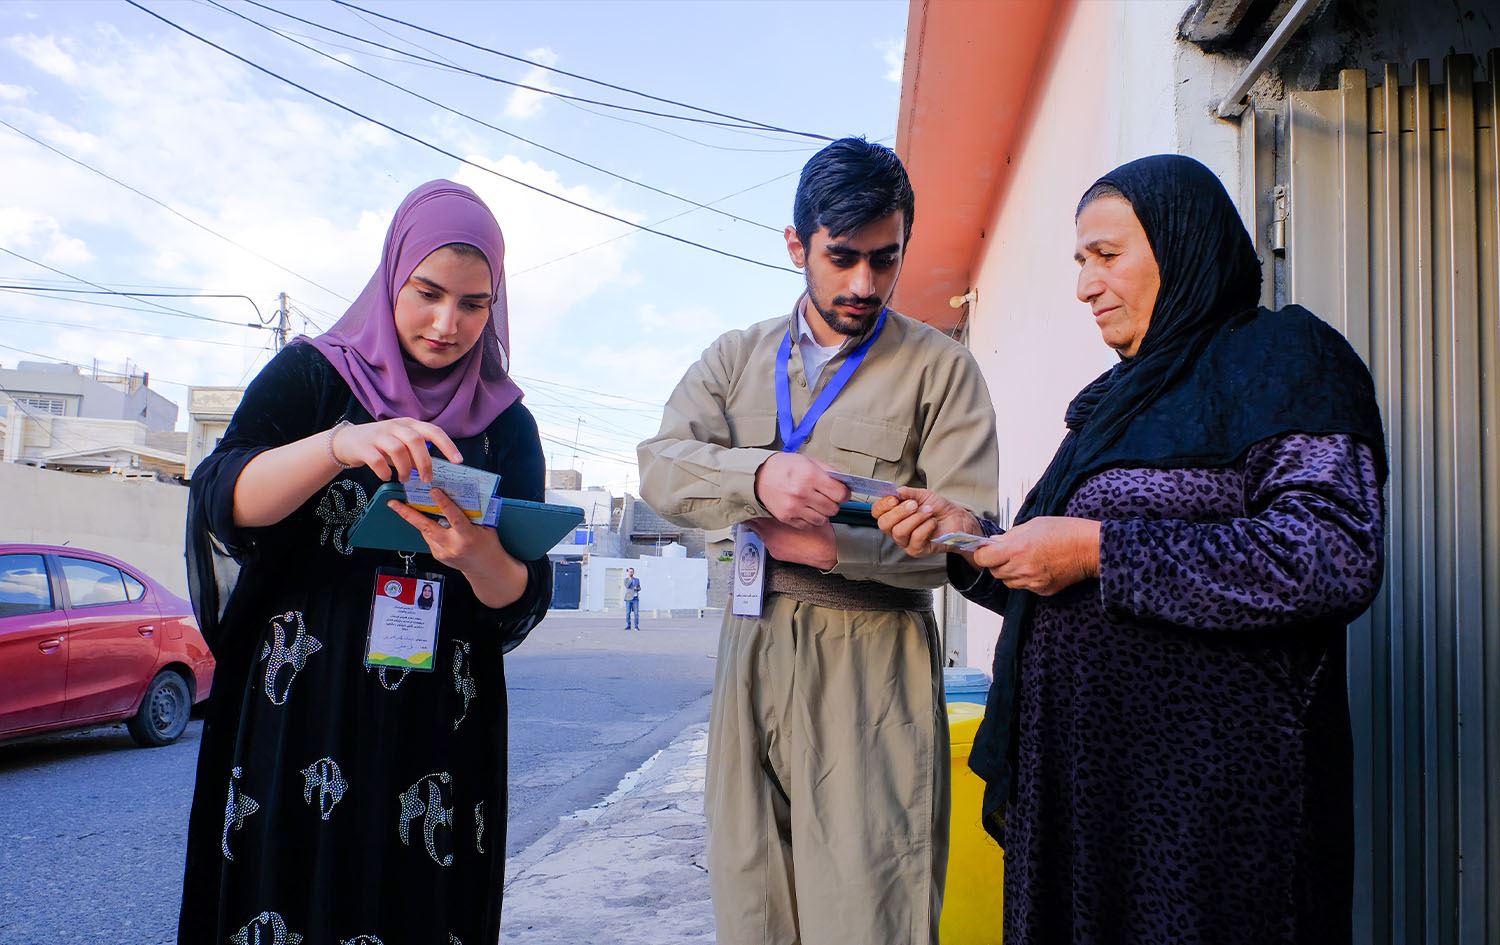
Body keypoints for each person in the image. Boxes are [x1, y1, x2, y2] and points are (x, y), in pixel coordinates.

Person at [873, 155, 1387, 945]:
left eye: (1107, 256)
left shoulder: (1285, 361)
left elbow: (1329, 552)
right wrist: (968, 540)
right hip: (1087, 797)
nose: (1084, 285)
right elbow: (1044, 577)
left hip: (1209, 809)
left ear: (1183, 246)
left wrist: (1102, 551)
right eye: (1080, 262)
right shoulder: (1114, 405)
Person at [638, 137, 999, 945]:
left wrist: (829, 547)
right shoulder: (735, 359)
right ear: (797, 245)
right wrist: (759, 475)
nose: (865, 283)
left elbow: (966, 537)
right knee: (752, 896)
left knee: (868, 906)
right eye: (842, 258)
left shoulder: (942, 372)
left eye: (886, 259)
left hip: (871, 657)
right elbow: (660, 469)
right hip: (750, 645)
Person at [180, 180, 553, 945]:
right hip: (300, 706)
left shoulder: (506, 423)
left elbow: (521, 594)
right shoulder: (313, 377)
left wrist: (479, 554)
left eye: (474, 303)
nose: (447, 323)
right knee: (289, 894)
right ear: (392, 276)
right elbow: (224, 498)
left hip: (439, 723)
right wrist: (336, 444)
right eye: (427, 293)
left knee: (418, 907)